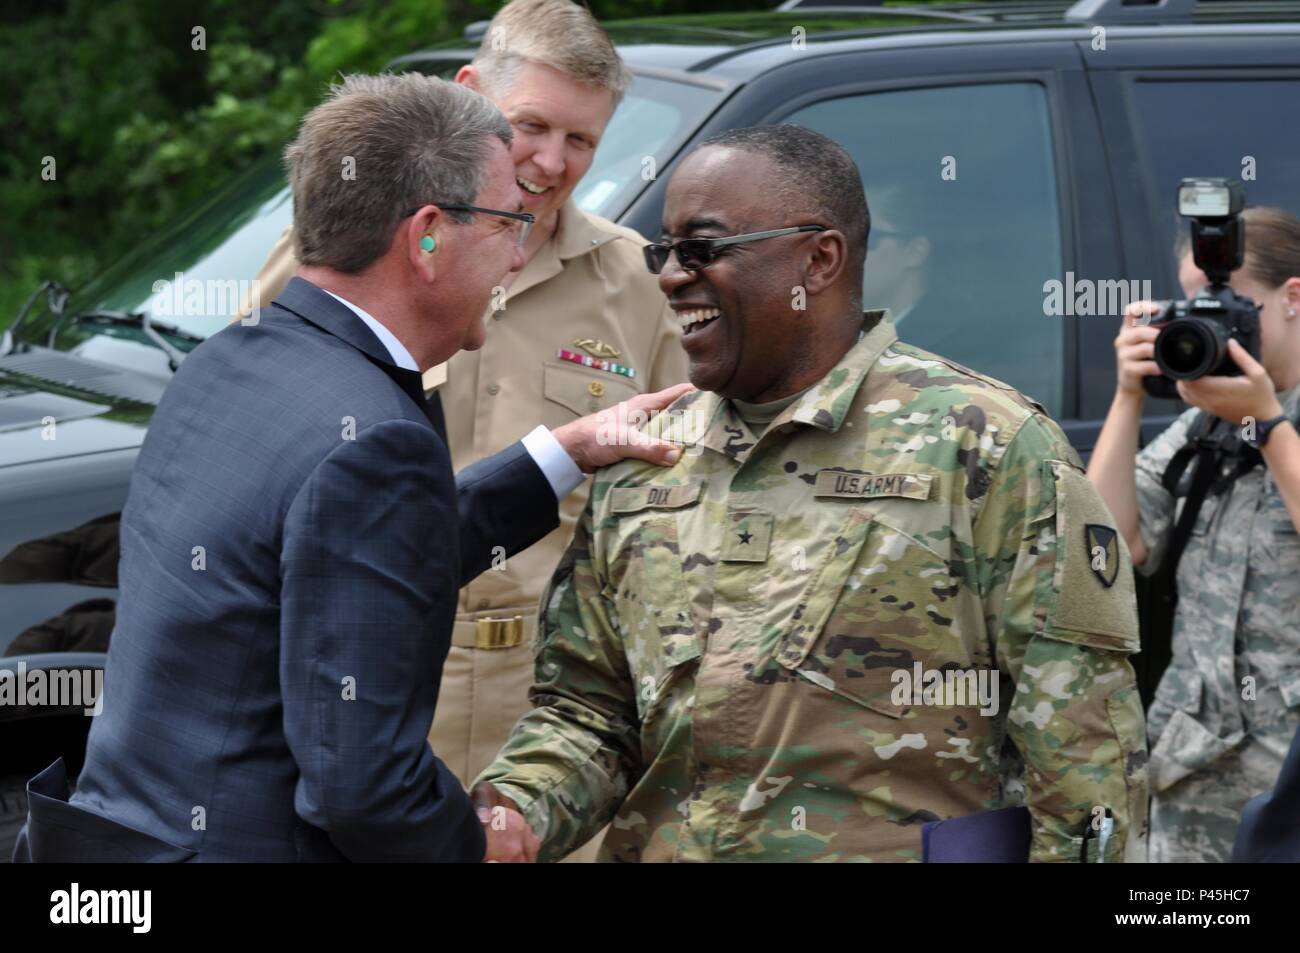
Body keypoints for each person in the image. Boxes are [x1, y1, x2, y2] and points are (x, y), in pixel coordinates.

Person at [12, 73, 686, 863]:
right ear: (427, 237)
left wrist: (561, 454)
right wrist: (474, 844)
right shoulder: (373, 439)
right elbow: (363, 785)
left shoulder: (226, 360)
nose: (516, 255)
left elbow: (350, 558)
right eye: (509, 222)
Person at [471, 125, 1149, 863]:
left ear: (819, 259)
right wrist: (513, 811)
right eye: (665, 252)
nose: (669, 278)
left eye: (703, 249)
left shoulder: (987, 447)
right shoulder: (647, 456)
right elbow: (589, 713)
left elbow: (1083, 755)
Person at [240, 1, 686, 861]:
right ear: (472, 92)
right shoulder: (355, 249)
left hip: (555, 709)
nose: (551, 161)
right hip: (381, 686)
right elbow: (254, 431)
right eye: (532, 126)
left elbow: (674, 478)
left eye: (582, 140)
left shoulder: (632, 279)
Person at [1087, 206, 1300, 863]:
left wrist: (1268, 425)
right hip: (1192, 770)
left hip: (1290, 777)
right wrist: (1129, 395)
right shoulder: (1206, 421)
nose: (1209, 324)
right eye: (1195, 306)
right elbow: (1109, 545)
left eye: (1230, 306)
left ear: (1293, 297)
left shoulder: (1255, 417)